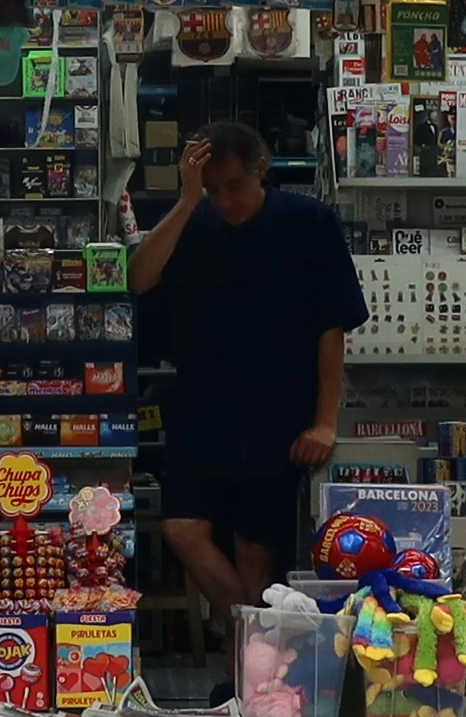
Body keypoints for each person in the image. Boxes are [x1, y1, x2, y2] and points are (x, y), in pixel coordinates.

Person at [133, 119, 365, 653]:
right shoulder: (193, 220)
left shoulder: (308, 221)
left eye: (233, 185)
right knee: (182, 530)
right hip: (201, 408)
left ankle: (255, 675)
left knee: (257, 553)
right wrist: (189, 199)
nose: (225, 199)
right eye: (213, 188)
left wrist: (326, 420)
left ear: (262, 170)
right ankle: (269, 650)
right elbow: (138, 277)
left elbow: (332, 328)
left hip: (278, 412)